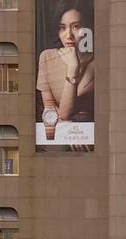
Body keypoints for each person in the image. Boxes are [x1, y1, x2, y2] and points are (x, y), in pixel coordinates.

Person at [36, 3, 94, 142]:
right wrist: (66, 130)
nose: (68, 35)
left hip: (88, 131)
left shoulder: (95, 62)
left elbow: (65, 112)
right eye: (62, 28)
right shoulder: (47, 57)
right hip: (58, 128)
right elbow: (49, 108)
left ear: (87, 29)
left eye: (76, 27)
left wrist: (72, 66)